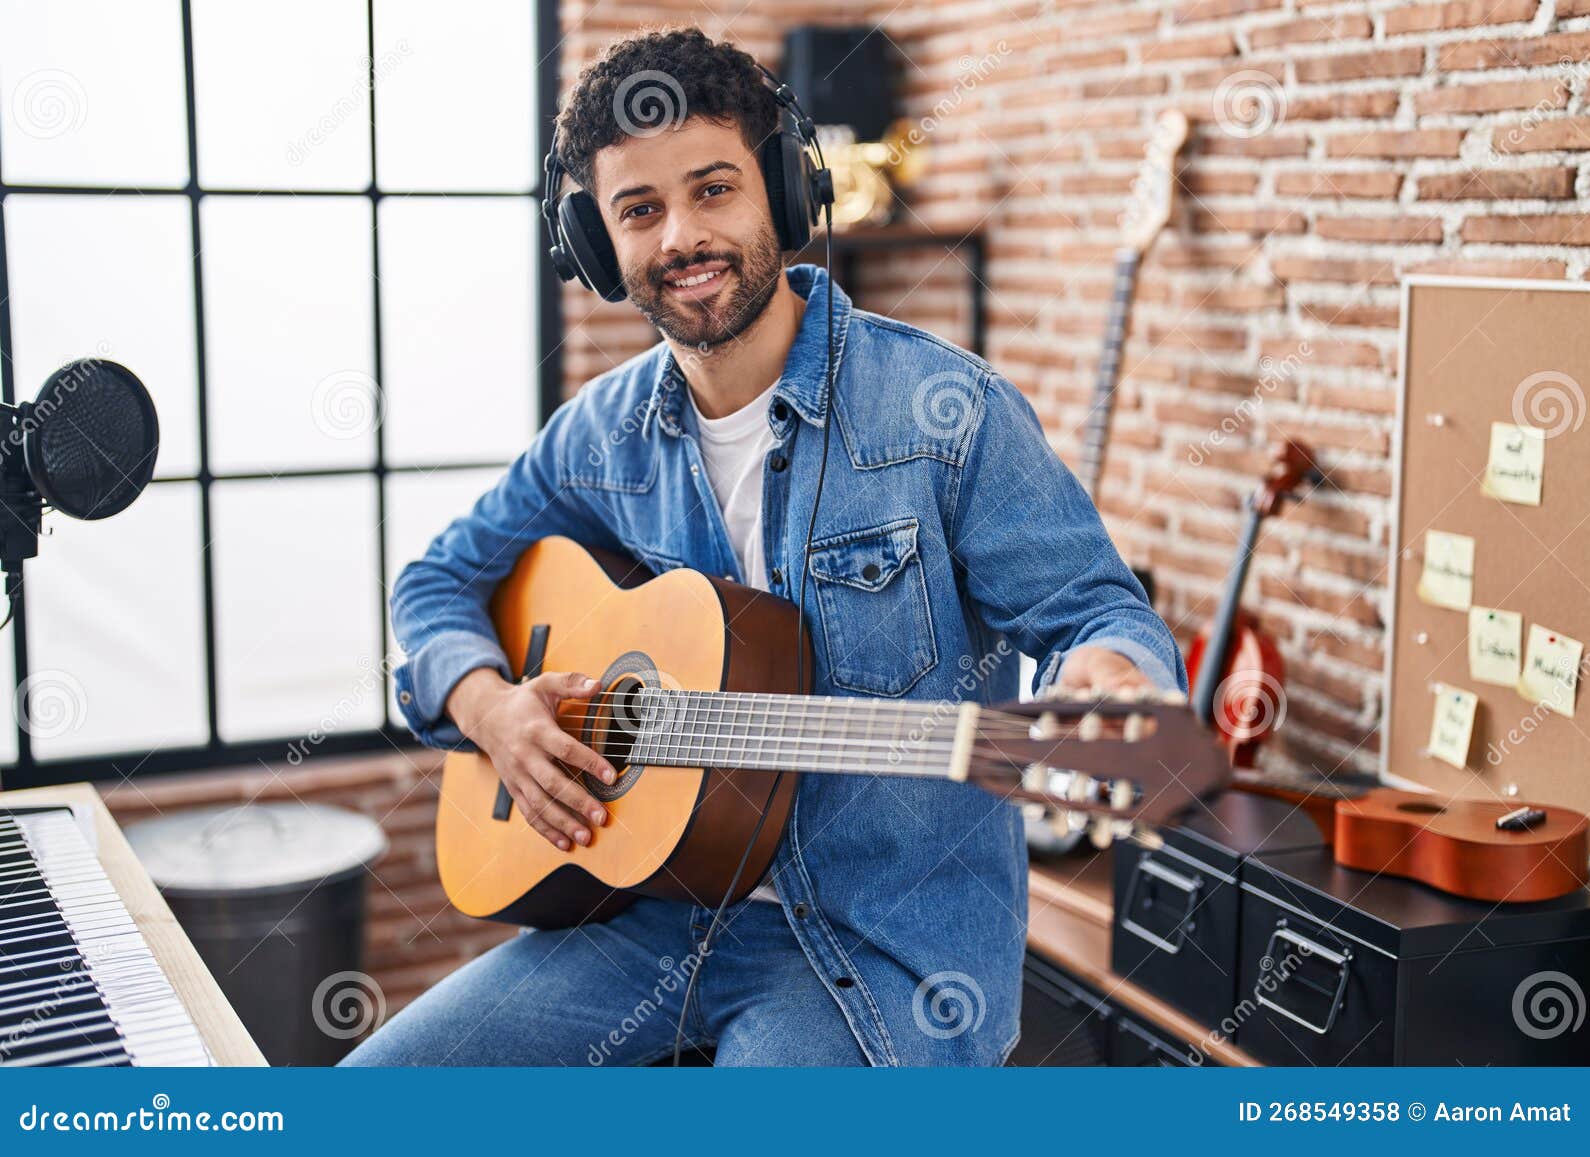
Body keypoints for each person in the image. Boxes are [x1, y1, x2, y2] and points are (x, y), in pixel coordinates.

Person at [341, 27, 1183, 1068]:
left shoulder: (945, 410)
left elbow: (1096, 615)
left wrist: (1107, 673)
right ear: (598, 248)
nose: (682, 236)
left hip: (880, 954)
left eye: (713, 189)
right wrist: (488, 705)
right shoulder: (597, 436)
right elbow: (436, 581)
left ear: (783, 192)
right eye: (639, 211)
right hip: (650, 910)